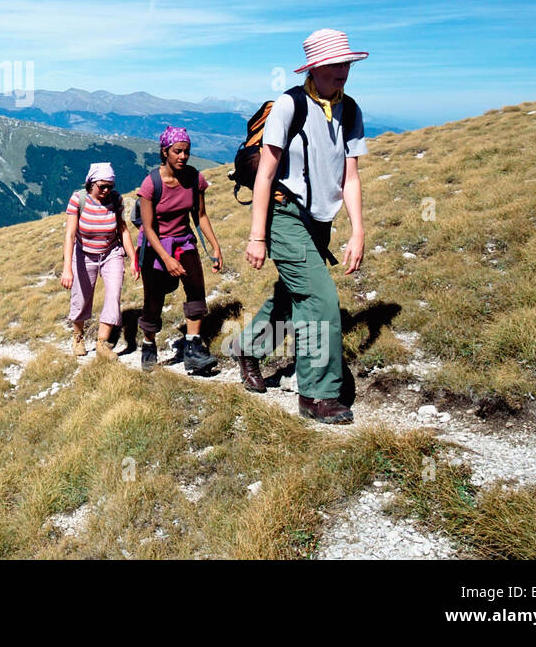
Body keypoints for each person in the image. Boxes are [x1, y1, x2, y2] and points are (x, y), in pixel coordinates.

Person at [235, 29, 368, 424]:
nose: (342, 71)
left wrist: (358, 231)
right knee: (320, 300)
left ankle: (248, 349)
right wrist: (257, 236)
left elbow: (352, 177)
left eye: (346, 63)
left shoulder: (351, 110)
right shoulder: (289, 106)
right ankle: (318, 395)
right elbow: (266, 174)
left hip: (320, 222)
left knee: (293, 297)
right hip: (284, 216)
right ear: (314, 67)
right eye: (333, 64)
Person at [136, 127, 224, 373]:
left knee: (196, 289)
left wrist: (215, 246)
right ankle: (148, 344)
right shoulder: (151, 184)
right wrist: (166, 259)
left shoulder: (195, 179)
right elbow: (149, 228)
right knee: (153, 301)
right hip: (155, 245)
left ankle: (193, 349)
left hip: (183, 241)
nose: (183, 157)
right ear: (165, 152)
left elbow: (201, 215)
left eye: (186, 152)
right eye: (177, 151)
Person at [60, 162, 139, 359]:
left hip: (111, 252)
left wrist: (133, 259)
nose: (105, 190)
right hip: (84, 254)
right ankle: (78, 336)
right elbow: (70, 235)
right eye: (101, 186)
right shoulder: (79, 200)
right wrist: (67, 268)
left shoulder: (115, 199)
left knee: (114, 294)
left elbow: (122, 230)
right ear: (91, 183)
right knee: (82, 297)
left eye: (109, 186)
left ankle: (103, 342)